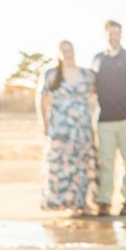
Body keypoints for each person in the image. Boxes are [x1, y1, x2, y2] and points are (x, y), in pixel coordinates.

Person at [91, 20, 126, 217]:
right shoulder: (97, 60)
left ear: (121, 35)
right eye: (110, 33)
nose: (113, 36)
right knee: (106, 163)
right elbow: (92, 89)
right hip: (104, 121)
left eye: (117, 33)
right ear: (105, 34)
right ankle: (105, 201)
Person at [37, 41, 98, 217]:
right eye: (64, 50)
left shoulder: (87, 74)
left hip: (82, 126)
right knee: (59, 164)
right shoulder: (51, 74)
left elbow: (99, 95)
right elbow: (42, 99)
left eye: (70, 50)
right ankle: (62, 203)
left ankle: (81, 203)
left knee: (82, 163)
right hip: (59, 126)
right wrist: (44, 123)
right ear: (59, 53)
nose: (68, 53)